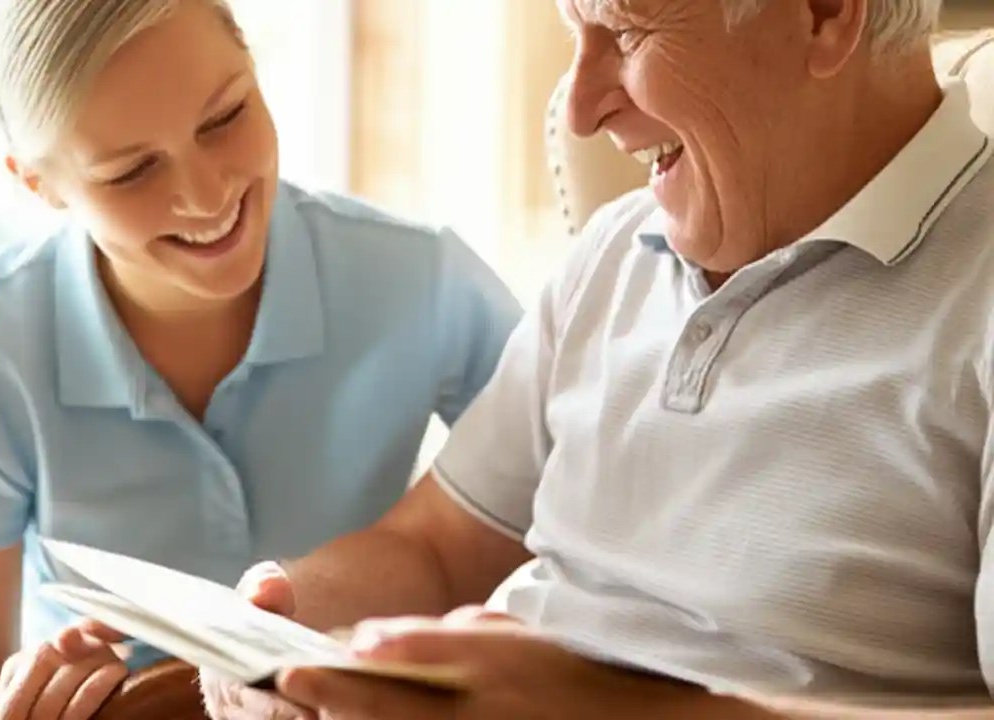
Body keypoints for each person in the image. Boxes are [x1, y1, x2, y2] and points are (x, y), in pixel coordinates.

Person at [193, 0, 994, 717]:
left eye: (625, 31)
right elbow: (435, 548)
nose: (579, 110)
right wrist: (286, 615)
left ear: (822, 12)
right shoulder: (618, 247)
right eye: (577, 33)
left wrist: (618, 709)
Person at [0, 1, 522, 718]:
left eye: (224, 118)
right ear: (41, 186)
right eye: (132, 171)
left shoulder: (423, 278)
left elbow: (572, 526)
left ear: (252, 63)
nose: (207, 195)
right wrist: (23, 705)